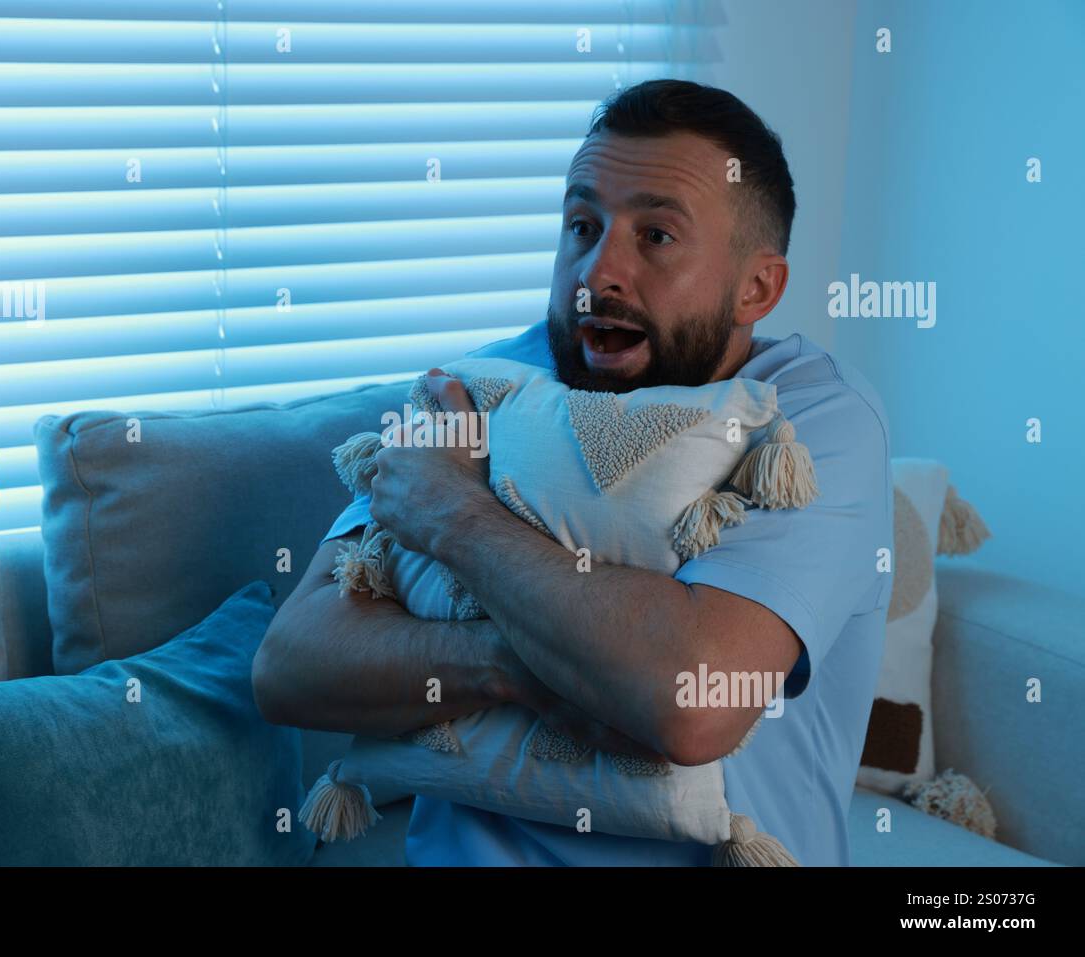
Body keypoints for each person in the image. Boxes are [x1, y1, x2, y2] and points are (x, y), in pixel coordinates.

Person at [253, 79, 892, 866]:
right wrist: (525, 664)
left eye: (656, 235)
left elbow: (692, 702)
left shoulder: (812, 424)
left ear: (757, 286)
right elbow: (290, 665)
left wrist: (455, 516)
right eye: (582, 225)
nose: (600, 271)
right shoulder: (485, 386)